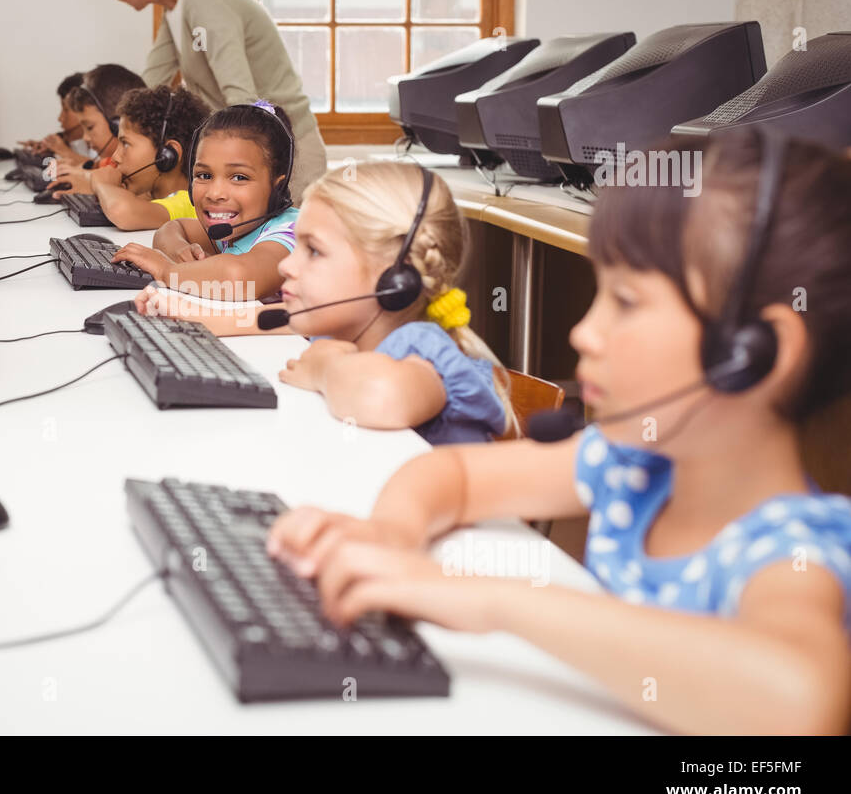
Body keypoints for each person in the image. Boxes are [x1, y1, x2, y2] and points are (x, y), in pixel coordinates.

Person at [266, 131, 851, 735]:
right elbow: (456, 475)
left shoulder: (793, 549)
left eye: (625, 302)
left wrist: (492, 601)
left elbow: (798, 700)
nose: (583, 334)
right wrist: (391, 534)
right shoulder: (627, 465)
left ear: (754, 353)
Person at [137, 162, 513, 440]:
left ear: (394, 279)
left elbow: (380, 397)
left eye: (313, 251)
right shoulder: (343, 325)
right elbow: (263, 318)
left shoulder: (422, 353)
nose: (287, 265)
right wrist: (180, 310)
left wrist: (324, 370)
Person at [81, 0, 328, 205]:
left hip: (285, 152)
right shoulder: (176, 6)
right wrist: (116, 146)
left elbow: (243, 99)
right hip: (253, 150)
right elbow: (147, 89)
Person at [112, 101, 297, 301]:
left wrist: (168, 271)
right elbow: (172, 228)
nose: (215, 193)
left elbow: (239, 279)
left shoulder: (293, 233)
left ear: (277, 187)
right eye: (205, 175)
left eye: (239, 177)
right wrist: (181, 251)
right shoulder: (235, 229)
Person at [56, 84, 209, 230]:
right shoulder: (149, 196)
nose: (115, 157)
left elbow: (121, 211)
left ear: (167, 155)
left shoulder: (189, 203)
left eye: (126, 144)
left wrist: (101, 185)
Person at [49, 63, 144, 193]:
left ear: (117, 124)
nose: (85, 137)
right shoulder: (111, 162)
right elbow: (98, 169)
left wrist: (96, 186)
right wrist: (79, 170)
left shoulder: (145, 173)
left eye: (90, 127)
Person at [17, 72, 92, 164]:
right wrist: (52, 149)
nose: (60, 118)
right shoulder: (76, 143)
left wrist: (64, 151)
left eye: (65, 109)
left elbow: (100, 170)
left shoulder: (107, 145)